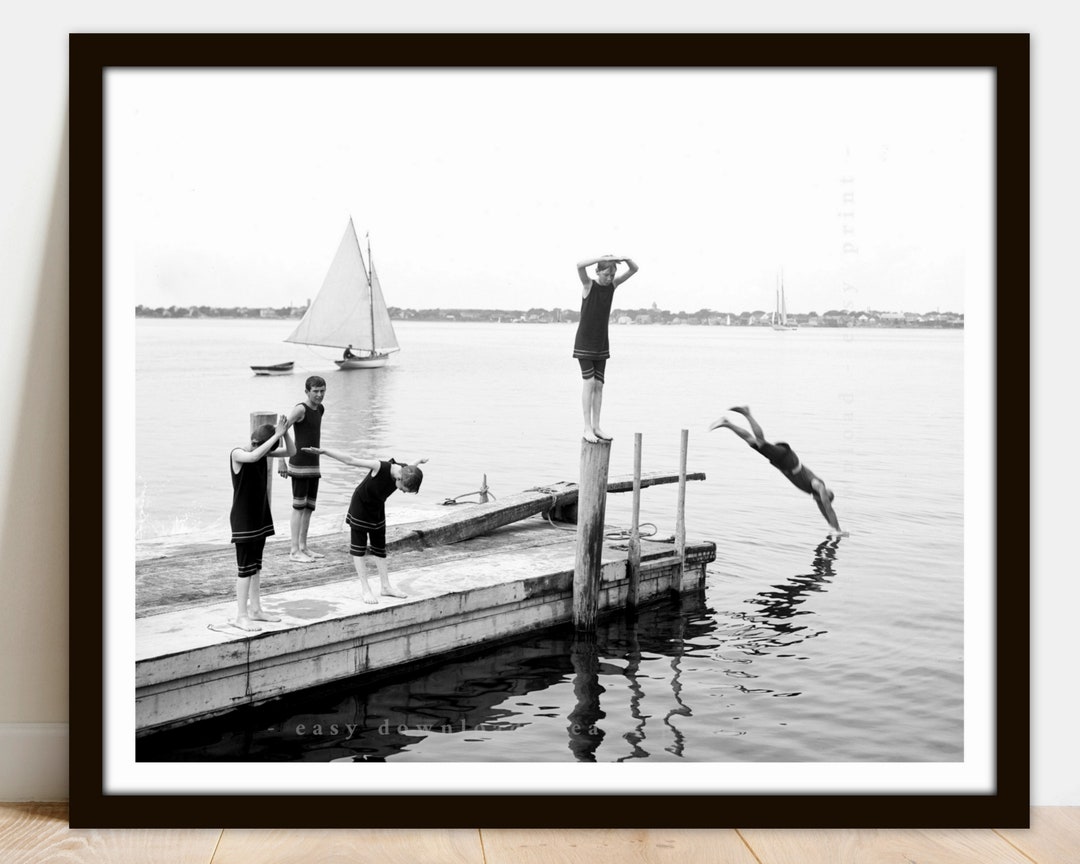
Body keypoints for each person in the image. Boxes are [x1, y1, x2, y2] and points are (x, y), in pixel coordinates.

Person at [304, 447, 428, 604]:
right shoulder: (380, 467)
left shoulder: (405, 471)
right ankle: (366, 589)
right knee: (359, 549)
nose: (402, 492)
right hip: (360, 507)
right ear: (399, 479)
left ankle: (385, 587)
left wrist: (419, 461)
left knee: (379, 548)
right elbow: (351, 460)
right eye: (404, 490)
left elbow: (412, 467)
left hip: (377, 508)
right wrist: (324, 452)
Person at [709, 405, 843, 533]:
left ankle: (727, 424)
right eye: (821, 499)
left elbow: (825, 511)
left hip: (782, 463)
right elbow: (828, 508)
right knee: (761, 442)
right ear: (824, 494)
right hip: (787, 459)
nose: (818, 501)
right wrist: (839, 530)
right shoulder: (818, 485)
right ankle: (747, 413)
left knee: (751, 442)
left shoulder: (815, 493)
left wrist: (832, 527)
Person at [226, 415, 295, 632]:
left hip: (260, 517)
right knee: (245, 569)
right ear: (256, 441)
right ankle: (241, 615)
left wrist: (284, 433)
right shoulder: (238, 453)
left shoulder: (262, 452)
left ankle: (255, 610)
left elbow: (291, 452)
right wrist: (276, 434)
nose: (267, 453)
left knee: (256, 567)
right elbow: (255, 455)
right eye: (265, 448)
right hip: (243, 520)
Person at [573, 254, 639, 442]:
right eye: (606, 274)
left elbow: (634, 270)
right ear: (598, 272)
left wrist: (625, 258)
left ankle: (596, 426)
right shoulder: (588, 285)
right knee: (589, 382)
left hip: (601, 341)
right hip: (585, 342)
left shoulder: (612, 286)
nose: (609, 278)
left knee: (599, 385)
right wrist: (599, 258)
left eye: (612, 275)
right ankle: (587, 428)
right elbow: (579, 265)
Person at [280, 376, 327, 562]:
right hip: (299, 465)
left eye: (322, 390)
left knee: (309, 507)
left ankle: (303, 547)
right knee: (298, 507)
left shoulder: (320, 409)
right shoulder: (300, 409)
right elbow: (281, 429)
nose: (319, 394)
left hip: (314, 464)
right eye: (315, 391)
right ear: (307, 391)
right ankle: (293, 551)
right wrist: (281, 460)